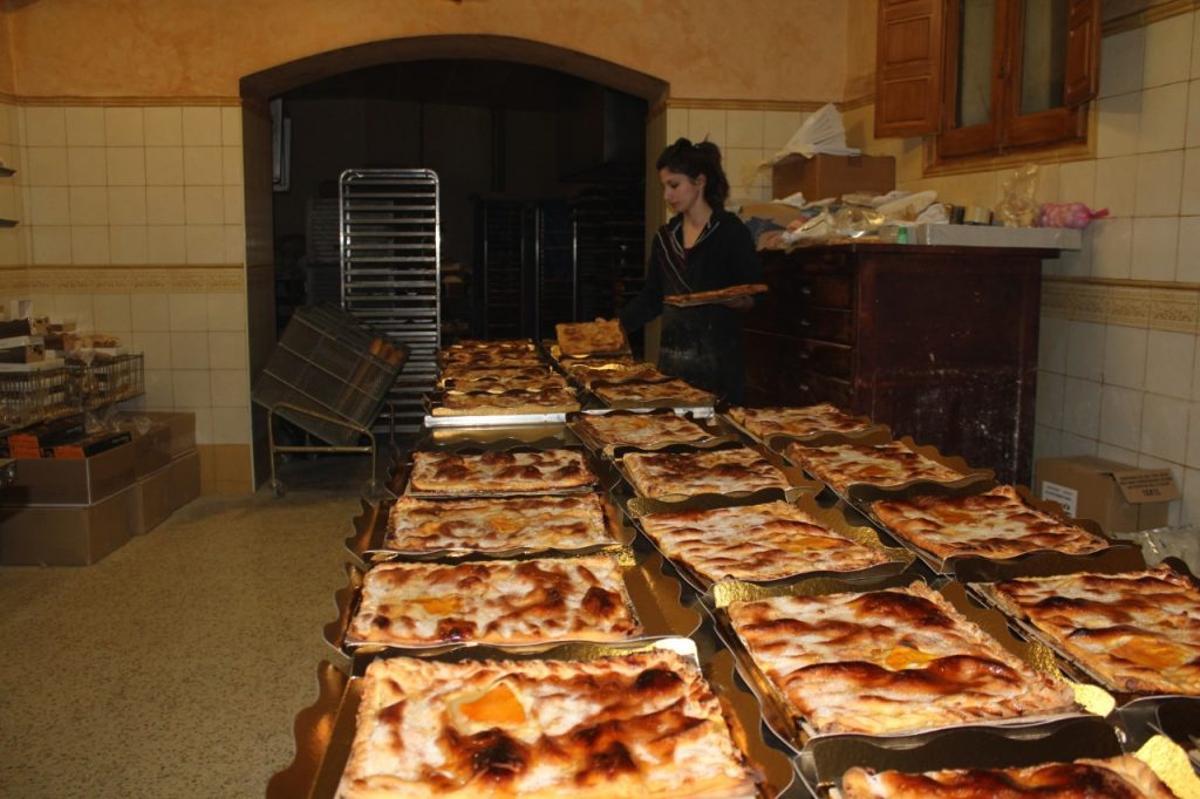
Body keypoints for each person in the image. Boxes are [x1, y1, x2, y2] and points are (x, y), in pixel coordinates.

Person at [619, 138, 763, 404]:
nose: (667, 196)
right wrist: (616, 328)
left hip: (720, 365)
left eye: (674, 185)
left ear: (699, 181)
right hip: (674, 365)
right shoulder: (664, 238)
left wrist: (740, 301)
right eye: (664, 187)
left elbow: (756, 292)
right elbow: (652, 298)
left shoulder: (730, 231)